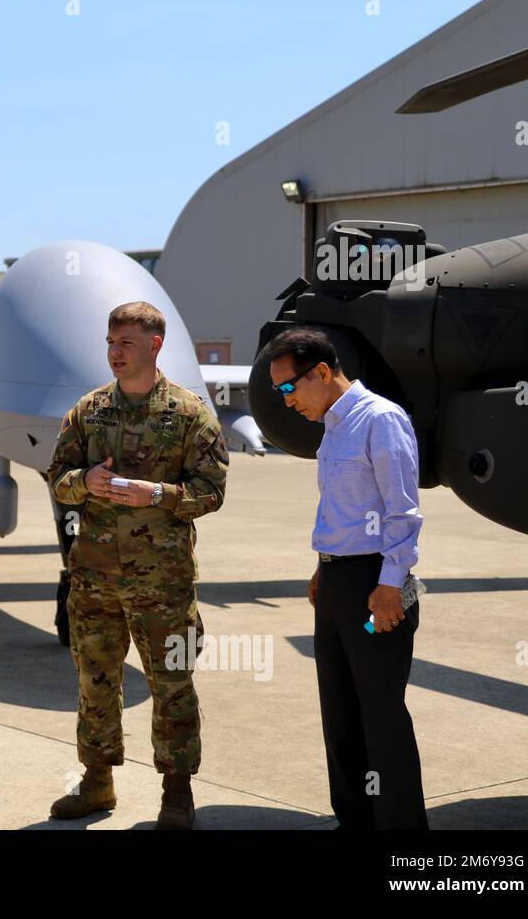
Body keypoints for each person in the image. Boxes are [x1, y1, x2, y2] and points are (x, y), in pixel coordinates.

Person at [46, 301, 228, 828]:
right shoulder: (89, 411)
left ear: (154, 345)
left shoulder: (188, 413)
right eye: (109, 342)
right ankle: (96, 783)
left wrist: (160, 494)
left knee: (172, 683)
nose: (114, 353)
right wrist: (85, 483)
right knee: (94, 682)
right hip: (94, 577)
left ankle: (177, 791)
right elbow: (58, 474)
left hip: (162, 584)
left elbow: (211, 491)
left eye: (125, 343)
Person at [264, 327, 428, 830]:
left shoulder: (380, 419)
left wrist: (387, 585)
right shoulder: (334, 426)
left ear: (321, 371)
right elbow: (346, 507)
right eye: (278, 393)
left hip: (375, 584)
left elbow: (402, 512)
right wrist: (323, 566)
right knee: (340, 713)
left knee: (381, 716)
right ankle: (354, 821)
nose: (286, 402)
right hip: (338, 582)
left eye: (288, 388)